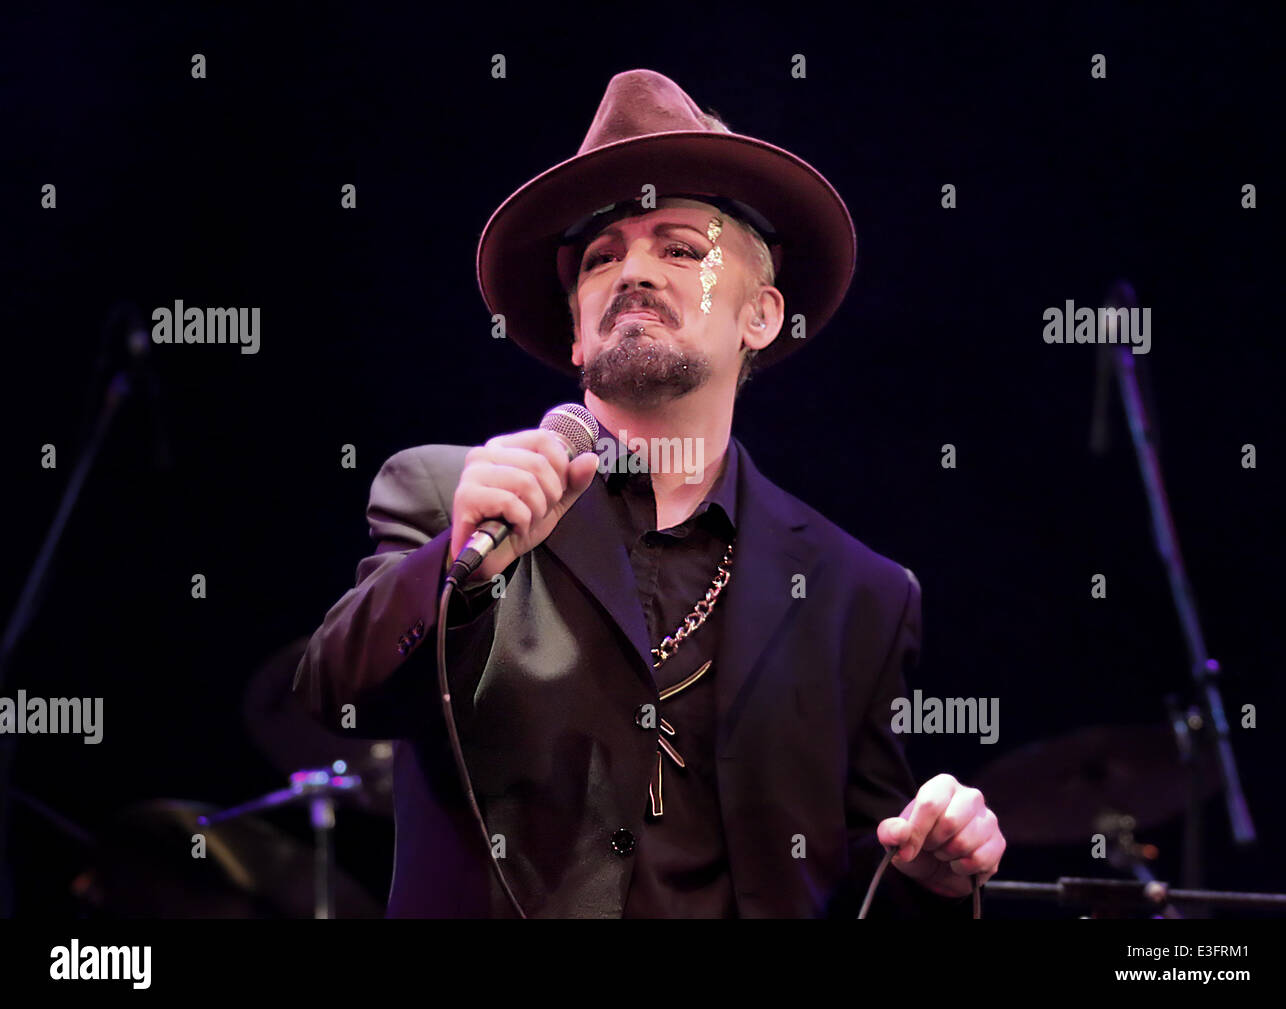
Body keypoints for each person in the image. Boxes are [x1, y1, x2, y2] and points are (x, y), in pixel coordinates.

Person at [293, 68, 1004, 918]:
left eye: (680, 249)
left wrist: (930, 870)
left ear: (762, 314)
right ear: (574, 324)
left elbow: (855, 880)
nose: (633, 269)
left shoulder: (862, 593)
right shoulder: (451, 491)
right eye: (602, 257)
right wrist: (461, 566)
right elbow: (332, 696)